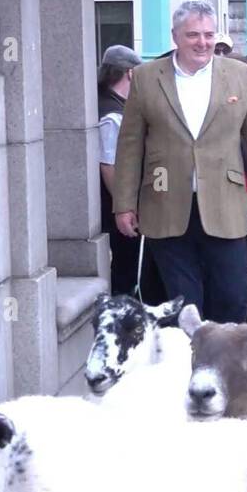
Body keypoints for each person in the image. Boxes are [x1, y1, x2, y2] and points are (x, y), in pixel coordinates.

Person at [112, 0, 247, 324]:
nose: (202, 43)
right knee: (183, 303)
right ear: (175, 36)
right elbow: (130, 145)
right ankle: (190, 368)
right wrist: (124, 204)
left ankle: (225, 367)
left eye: (208, 34)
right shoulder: (147, 77)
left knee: (233, 296)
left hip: (226, 205)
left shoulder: (240, 75)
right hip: (165, 205)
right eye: (193, 35)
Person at [98, 44, 166, 303]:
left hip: (122, 206)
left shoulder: (112, 105)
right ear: (129, 73)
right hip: (121, 210)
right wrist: (125, 206)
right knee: (127, 270)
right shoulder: (112, 114)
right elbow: (109, 164)